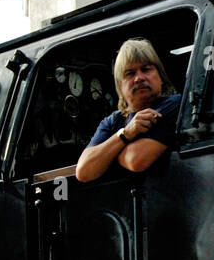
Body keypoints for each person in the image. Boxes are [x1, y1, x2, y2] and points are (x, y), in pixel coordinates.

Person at [75, 38, 180, 182]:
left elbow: (135, 160)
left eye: (146, 69)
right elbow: (83, 172)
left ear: (160, 77)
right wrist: (126, 134)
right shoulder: (112, 121)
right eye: (130, 73)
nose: (139, 78)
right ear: (120, 86)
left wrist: (109, 154)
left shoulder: (174, 104)